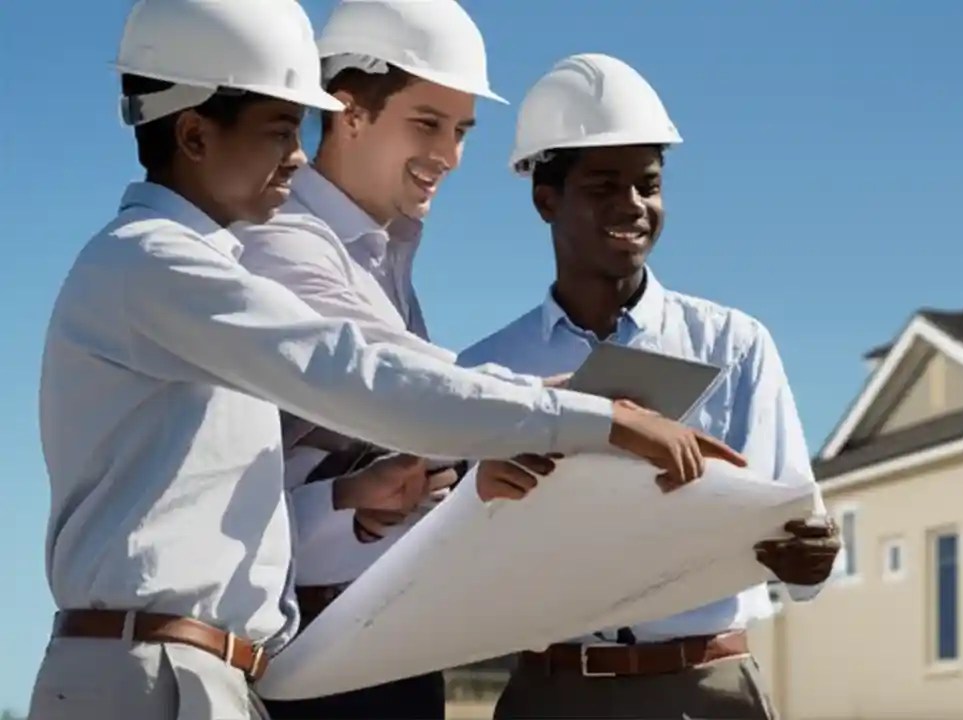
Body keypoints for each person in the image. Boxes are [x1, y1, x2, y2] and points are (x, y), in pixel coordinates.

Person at [29, 2, 746, 717]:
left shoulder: (193, 273)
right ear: (193, 134)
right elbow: (358, 372)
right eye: (284, 129)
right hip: (151, 675)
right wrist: (597, 419)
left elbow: (232, 488)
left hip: (195, 670)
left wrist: (353, 498)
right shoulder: (157, 264)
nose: (302, 153)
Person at [456, 53, 841, 720]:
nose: (633, 205)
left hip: (705, 687)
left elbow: (791, 521)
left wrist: (811, 557)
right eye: (604, 186)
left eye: (648, 184)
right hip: (552, 693)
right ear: (546, 198)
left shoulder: (735, 346)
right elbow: (454, 549)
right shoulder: (488, 370)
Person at [233, 1, 545, 716]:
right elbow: (411, 388)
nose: (451, 156)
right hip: (301, 659)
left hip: (382, 643)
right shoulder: (282, 243)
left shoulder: (385, 255)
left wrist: (361, 502)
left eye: (462, 130)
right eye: (428, 124)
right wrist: (569, 411)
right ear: (348, 111)